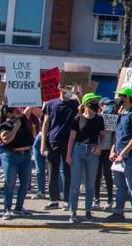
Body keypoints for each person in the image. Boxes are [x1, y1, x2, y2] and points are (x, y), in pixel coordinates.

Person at [105, 88, 132, 226]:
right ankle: (118, 212)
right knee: (120, 186)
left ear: (127, 98)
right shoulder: (120, 114)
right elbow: (116, 136)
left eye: (121, 96)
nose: (118, 99)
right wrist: (113, 151)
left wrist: (123, 154)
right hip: (118, 156)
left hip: (130, 156)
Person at [65, 93, 106, 222]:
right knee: (75, 183)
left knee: (90, 183)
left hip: (93, 151)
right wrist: (68, 154)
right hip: (78, 149)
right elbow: (71, 138)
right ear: (86, 104)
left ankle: (88, 210)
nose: (96, 105)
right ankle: (73, 211)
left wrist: (100, 145)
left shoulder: (99, 119)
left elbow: (103, 135)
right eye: (93, 102)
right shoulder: (78, 118)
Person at [41, 85, 79, 210]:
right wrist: (43, 144)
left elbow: (83, 108)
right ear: (59, 88)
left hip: (69, 142)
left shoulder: (74, 104)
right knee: (52, 172)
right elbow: (45, 124)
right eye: (64, 87)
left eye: (69, 87)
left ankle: (67, 199)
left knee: (68, 172)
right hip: (53, 141)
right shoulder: (51, 104)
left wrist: (78, 93)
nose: (67, 90)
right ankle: (53, 199)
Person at [0, 106, 35, 220]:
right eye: (15, 110)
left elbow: (29, 107)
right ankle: (7, 209)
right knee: (10, 183)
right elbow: (6, 139)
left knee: (25, 183)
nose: (19, 110)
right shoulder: (5, 125)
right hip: (11, 156)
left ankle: (19, 208)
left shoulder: (23, 118)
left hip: (26, 155)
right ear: (9, 114)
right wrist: (15, 128)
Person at [93, 98, 115, 210]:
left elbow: (115, 135)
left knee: (108, 175)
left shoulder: (114, 118)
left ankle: (110, 199)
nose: (109, 107)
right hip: (97, 149)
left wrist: (113, 149)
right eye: (107, 105)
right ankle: (96, 199)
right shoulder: (96, 118)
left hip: (107, 149)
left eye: (111, 105)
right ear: (101, 106)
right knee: (96, 175)